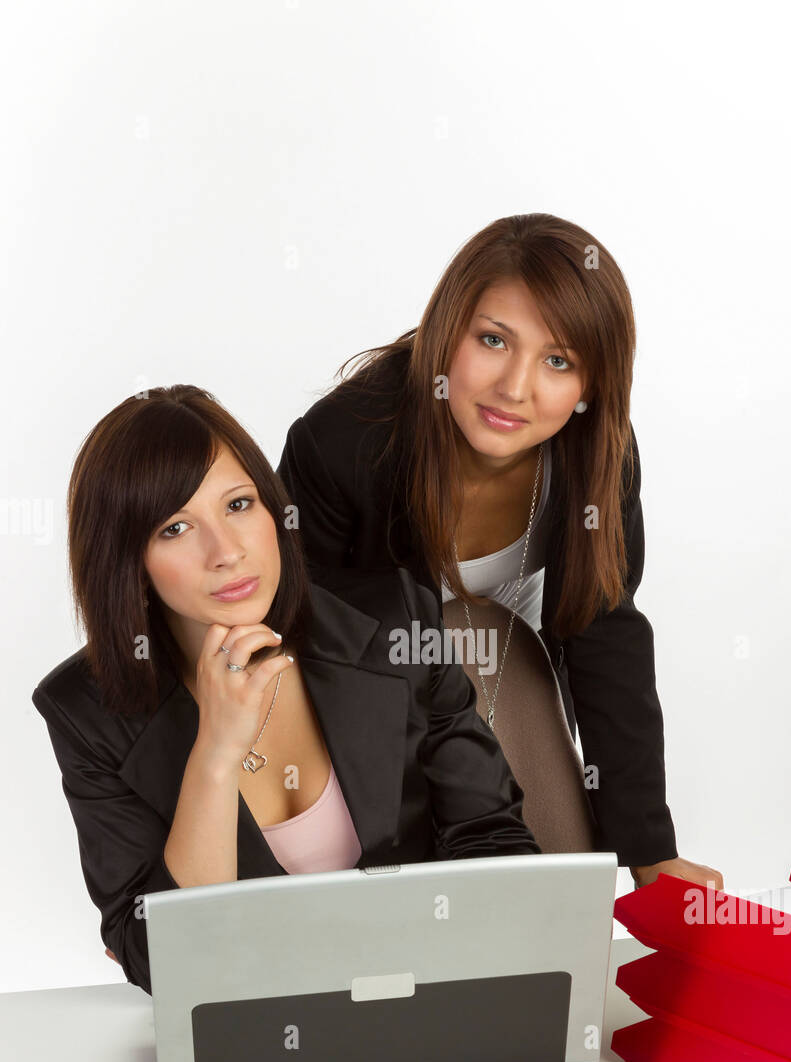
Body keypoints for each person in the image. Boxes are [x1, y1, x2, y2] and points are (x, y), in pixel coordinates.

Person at [31, 386, 541, 995]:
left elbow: (492, 838)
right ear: (127, 560)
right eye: (175, 528)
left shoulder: (394, 621)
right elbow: (168, 965)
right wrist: (216, 755)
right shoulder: (87, 713)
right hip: (251, 1034)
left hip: (428, 995)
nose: (226, 552)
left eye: (240, 504)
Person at [277, 212, 723, 892]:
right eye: (492, 340)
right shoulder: (343, 442)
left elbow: (605, 638)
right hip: (360, 698)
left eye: (557, 361)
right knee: (462, 630)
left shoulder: (595, 457)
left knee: (563, 903)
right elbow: (309, 643)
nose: (515, 388)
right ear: (444, 331)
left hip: (505, 681)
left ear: (590, 387)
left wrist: (646, 851)